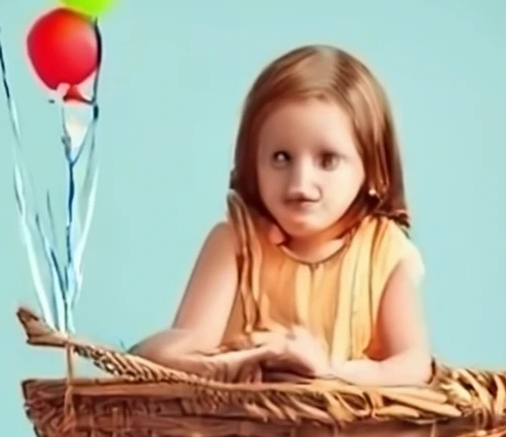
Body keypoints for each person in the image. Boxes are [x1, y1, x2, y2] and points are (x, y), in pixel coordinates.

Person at [132, 44, 432, 386]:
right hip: (240, 432)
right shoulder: (234, 242)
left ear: (373, 171)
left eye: (328, 160)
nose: (300, 184)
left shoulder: (383, 250)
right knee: (153, 353)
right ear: (252, 163)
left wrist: (331, 372)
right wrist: (232, 361)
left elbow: (413, 364)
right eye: (280, 158)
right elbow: (192, 340)